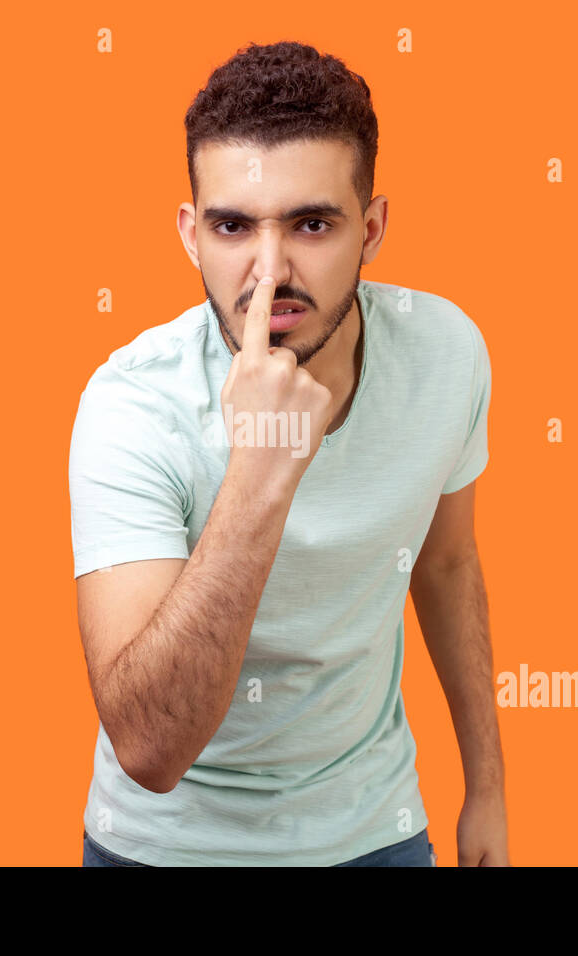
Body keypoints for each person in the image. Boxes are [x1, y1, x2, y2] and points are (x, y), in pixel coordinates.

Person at [68, 40, 508, 866]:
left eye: (312, 224)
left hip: (376, 831)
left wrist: (486, 789)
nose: (270, 273)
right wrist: (262, 468)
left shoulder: (448, 354)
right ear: (192, 235)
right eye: (233, 227)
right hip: (164, 850)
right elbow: (148, 749)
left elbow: (446, 566)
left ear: (371, 228)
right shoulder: (131, 407)